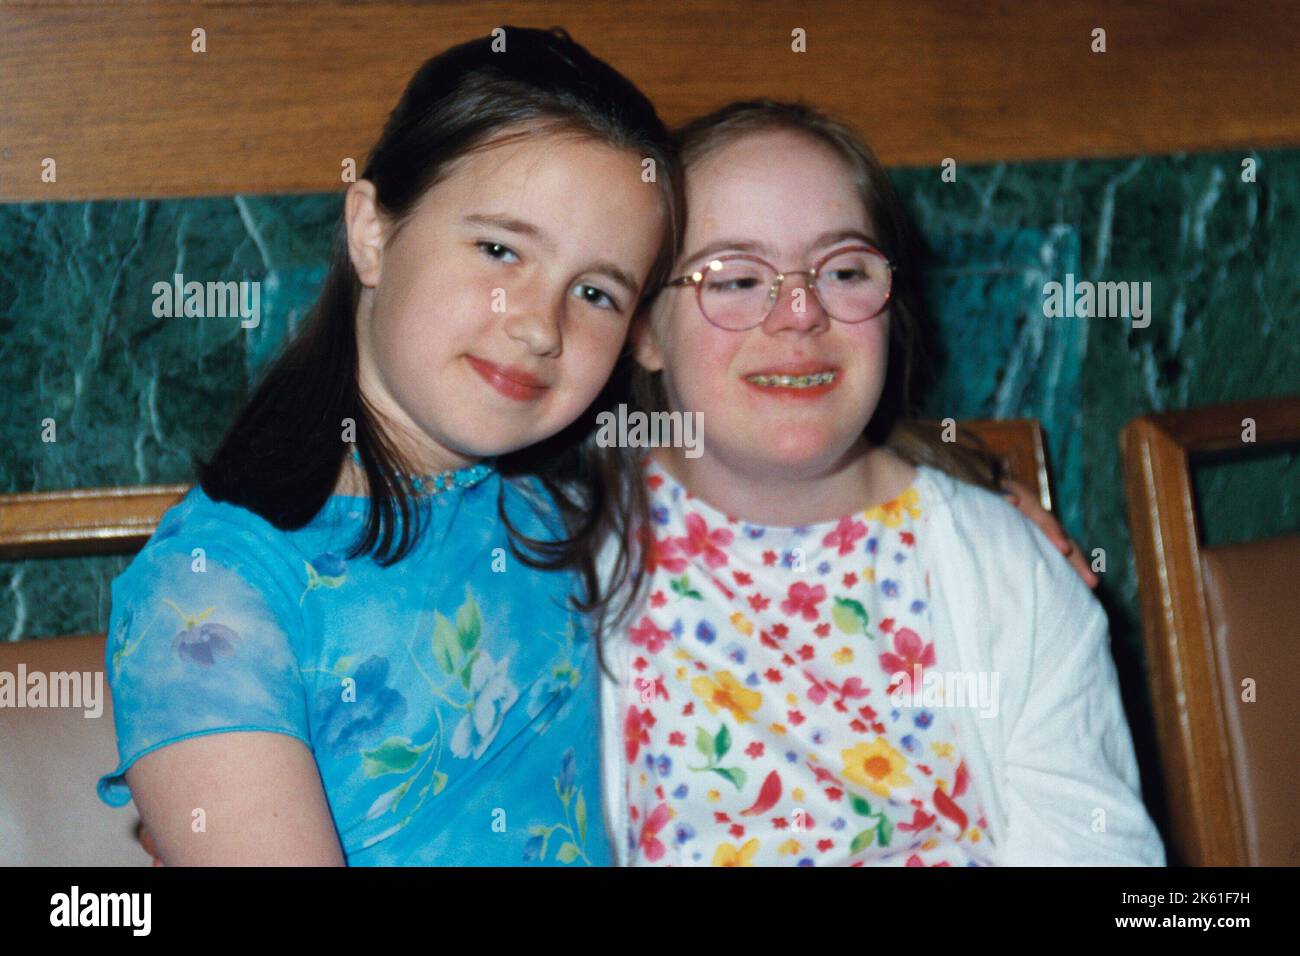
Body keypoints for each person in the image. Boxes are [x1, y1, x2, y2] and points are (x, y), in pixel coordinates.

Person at [95, 26, 681, 866]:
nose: (539, 326)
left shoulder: (559, 512)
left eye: (595, 291)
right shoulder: (208, 595)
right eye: (500, 249)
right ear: (372, 233)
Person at [598, 100, 1165, 866]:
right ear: (643, 331)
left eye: (843, 270)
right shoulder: (564, 552)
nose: (800, 314)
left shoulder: (1004, 574)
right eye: (733, 279)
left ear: (890, 306)